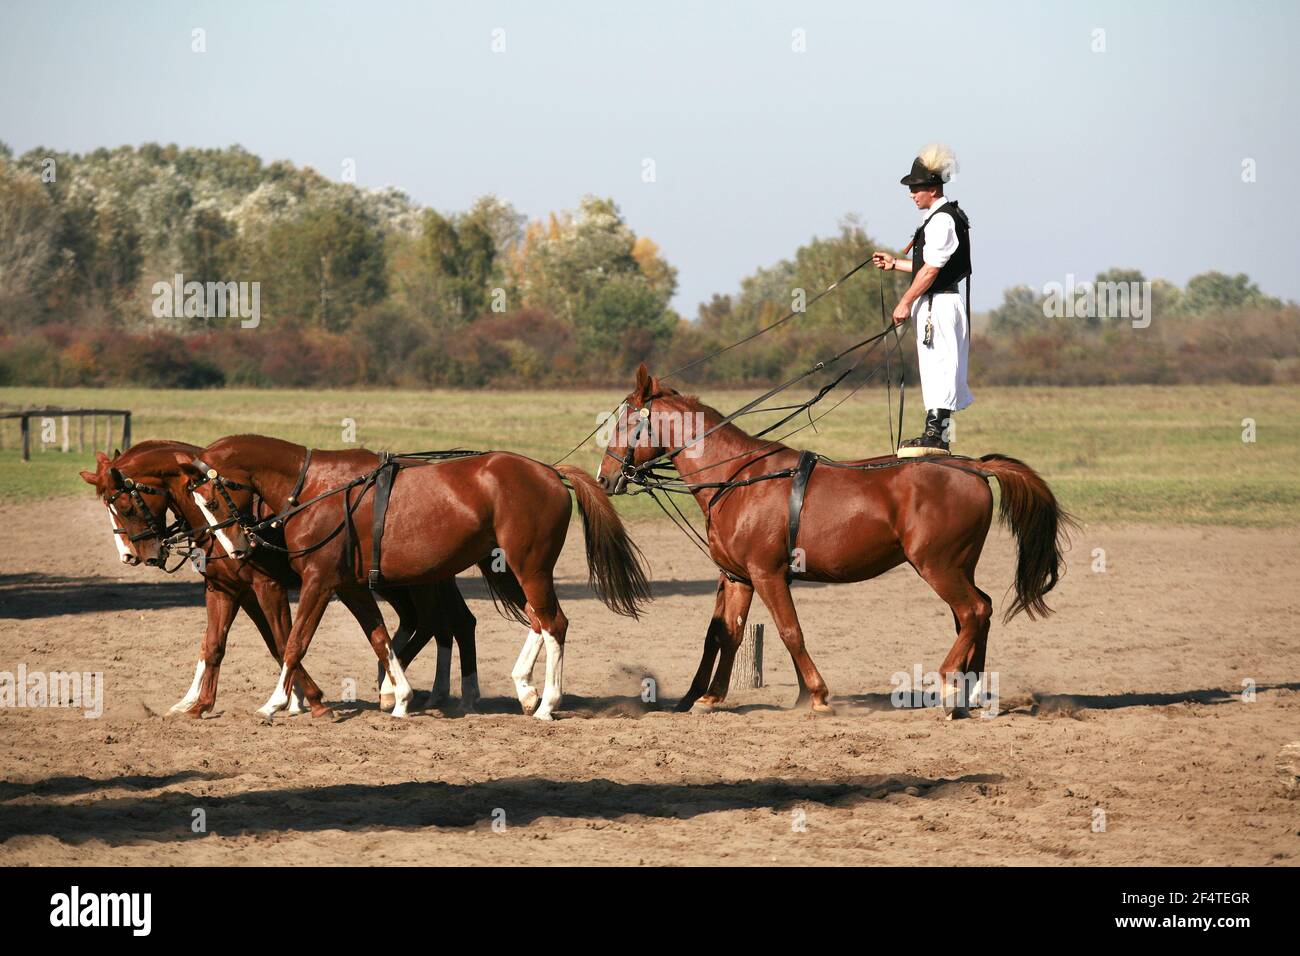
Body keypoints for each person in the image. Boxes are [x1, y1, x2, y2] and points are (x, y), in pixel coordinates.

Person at [872, 143, 972, 457]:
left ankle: (937, 436)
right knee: (934, 365)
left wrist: (903, 302)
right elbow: (927, 267)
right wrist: (895, 264)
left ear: (932, 188)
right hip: (935, 301)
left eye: (916, 188)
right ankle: (935, 433)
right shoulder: (937, 217)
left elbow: (930, 272)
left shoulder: (942, 221)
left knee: (941, 364)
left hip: (939, 304)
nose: (911, 194)